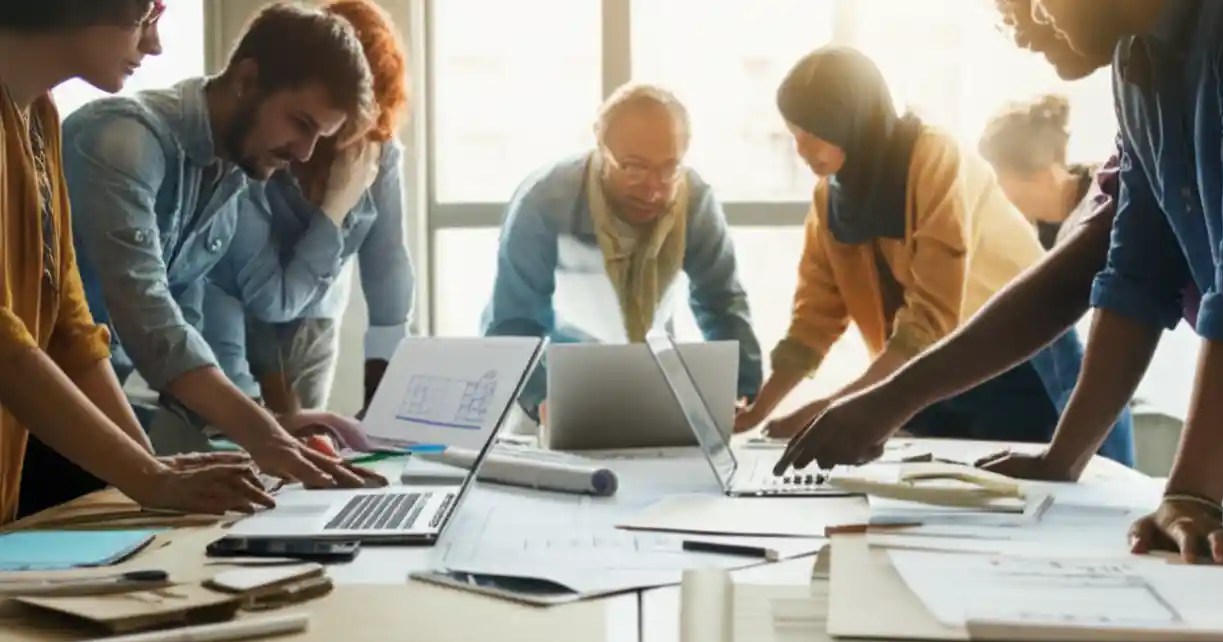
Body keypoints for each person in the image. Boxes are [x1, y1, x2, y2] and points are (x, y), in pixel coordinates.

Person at [977, 0, 1223, 565]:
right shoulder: (1135, 66)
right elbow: (1135, 275)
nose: (1034, 14)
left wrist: (1191, 494)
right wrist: (1062, 459)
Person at [775, 1, 1131, 478]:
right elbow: (815, 318)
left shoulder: (932, 155)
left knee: (1066, 486)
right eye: (794, 134)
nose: (802, 149)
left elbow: (931, 319)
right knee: (955, 488)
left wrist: (853, 402)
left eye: (815, 132)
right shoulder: (832, 198)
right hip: (939, 366)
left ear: (848, 120)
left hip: (1014, 352)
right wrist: (757, 415)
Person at [61, 2, 383, 489]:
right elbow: (149, 318)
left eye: (320, 136)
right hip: (29, 422)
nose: (304, 153)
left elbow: (189, 327)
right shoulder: (123, 140)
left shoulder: (229, 180)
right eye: (301, 123)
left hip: (91, 419)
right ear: (247, 80)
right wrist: (261, 434)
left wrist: (270, 423)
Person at [0, 0, 279, 522]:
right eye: (147, 14)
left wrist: (154, 468)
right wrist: (149, 477)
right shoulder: (118, 135)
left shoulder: (39, 115)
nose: (154, 43)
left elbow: (71, 329)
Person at [193, 0, 412, 445]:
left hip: (314, 321)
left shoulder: (377, 153)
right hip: (237, 312)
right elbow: (263, 297)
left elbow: (389, 277)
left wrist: (380, 409)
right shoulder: (263, 145)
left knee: (308, 451)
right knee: (238, 441)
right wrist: (334, 210)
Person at [482, 83, 763, 418]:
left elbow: (721, 300)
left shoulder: (693, 198)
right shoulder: (544, 201)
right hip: (555, 391)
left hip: (652, 387)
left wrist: (740, 387)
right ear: (601, 147)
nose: (653, 190)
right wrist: (543, 401)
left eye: (668, 169)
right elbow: (514, 322)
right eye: (634, 168)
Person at [980, 94, 1096, 250]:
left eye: (998, 184)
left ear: (1039, 177)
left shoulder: (1106, 201)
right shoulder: (1040, 233)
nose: (996, 198)